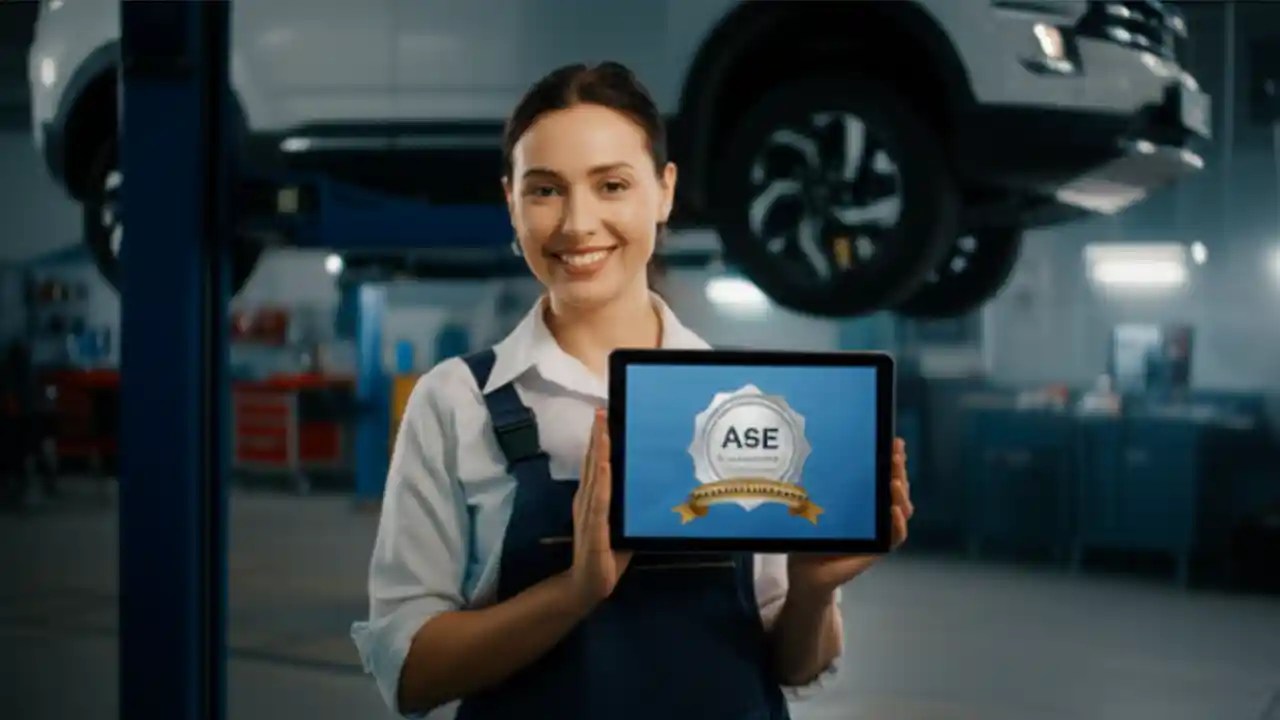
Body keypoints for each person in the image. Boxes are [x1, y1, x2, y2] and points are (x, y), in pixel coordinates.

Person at [351, 61, 915, 719]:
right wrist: (575, 591)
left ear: (664, 191)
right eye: (545, 191)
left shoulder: (751, 400)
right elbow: (411, 673)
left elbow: (795, 664)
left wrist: (812, 590)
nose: (577, 224)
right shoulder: (456, 402)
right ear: (511, 202)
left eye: (612, 185)